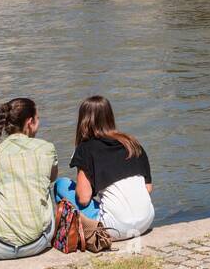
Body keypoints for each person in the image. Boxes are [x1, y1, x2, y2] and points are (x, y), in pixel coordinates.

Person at [0, 97, 58, 259]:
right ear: (30, 122)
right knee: (43, 187)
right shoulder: (46, 148)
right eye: (38, 118)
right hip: (39, 242)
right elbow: (50, 178)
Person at [55, 96, 154, 240]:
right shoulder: (132, 143)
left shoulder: (86, 149)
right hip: (146, 221)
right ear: (110, 117)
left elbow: (83, 199)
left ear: (83, 121)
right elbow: (148, 188)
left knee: (61, 185)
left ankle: (68, 237)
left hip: (114, 228)